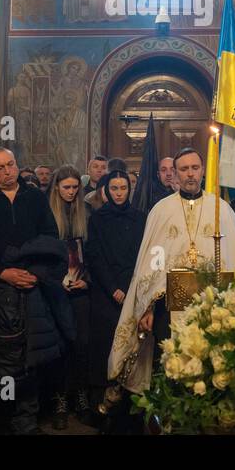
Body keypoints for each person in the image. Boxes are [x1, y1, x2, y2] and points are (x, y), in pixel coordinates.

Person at [108, 147, 235, 393]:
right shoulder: (161, 211)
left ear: (203, 171)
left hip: (212, 309)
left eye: (195, 168)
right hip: (167, 307)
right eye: (184, 169)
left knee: (209, 369)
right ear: (175, 174)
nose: (190, 174)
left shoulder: (222, 210)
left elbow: (232, 259)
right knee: (170, 370)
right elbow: (150, 265)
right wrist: (147, 306)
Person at [0, 148, 60, 434]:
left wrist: (35, 274)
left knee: (27, 356)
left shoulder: (35, 198)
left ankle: (24, 418)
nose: (7, 171)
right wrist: (3, 272)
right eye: (0, 168)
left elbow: (50, 238)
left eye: (11, 165)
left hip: (29, 288)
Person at [84, 169, 145, 429]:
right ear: (106, 191)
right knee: (105, 351)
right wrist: (113, 288)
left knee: (132, 352)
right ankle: (101, 411)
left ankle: (129, 412)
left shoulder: (140, 217)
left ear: (129, 190)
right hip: (105, 295)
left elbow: (143, 254)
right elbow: (95, 256)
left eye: (123, 188)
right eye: (115, 188)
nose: (119, 193)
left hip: (133, 292)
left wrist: (129, 288)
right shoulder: (97, 219)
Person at [43, 165, 91, 427]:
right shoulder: (47, 215)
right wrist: (54, 282)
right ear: (56, 188)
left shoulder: (87, 213)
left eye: (75, 188)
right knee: (60, 347)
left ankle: (81, 397)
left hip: (82, 291)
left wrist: (88, 281)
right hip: (56, 291)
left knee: (82, 345)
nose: (71, 192)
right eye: (66, 188)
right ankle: (59, 400)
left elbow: (94, 253)